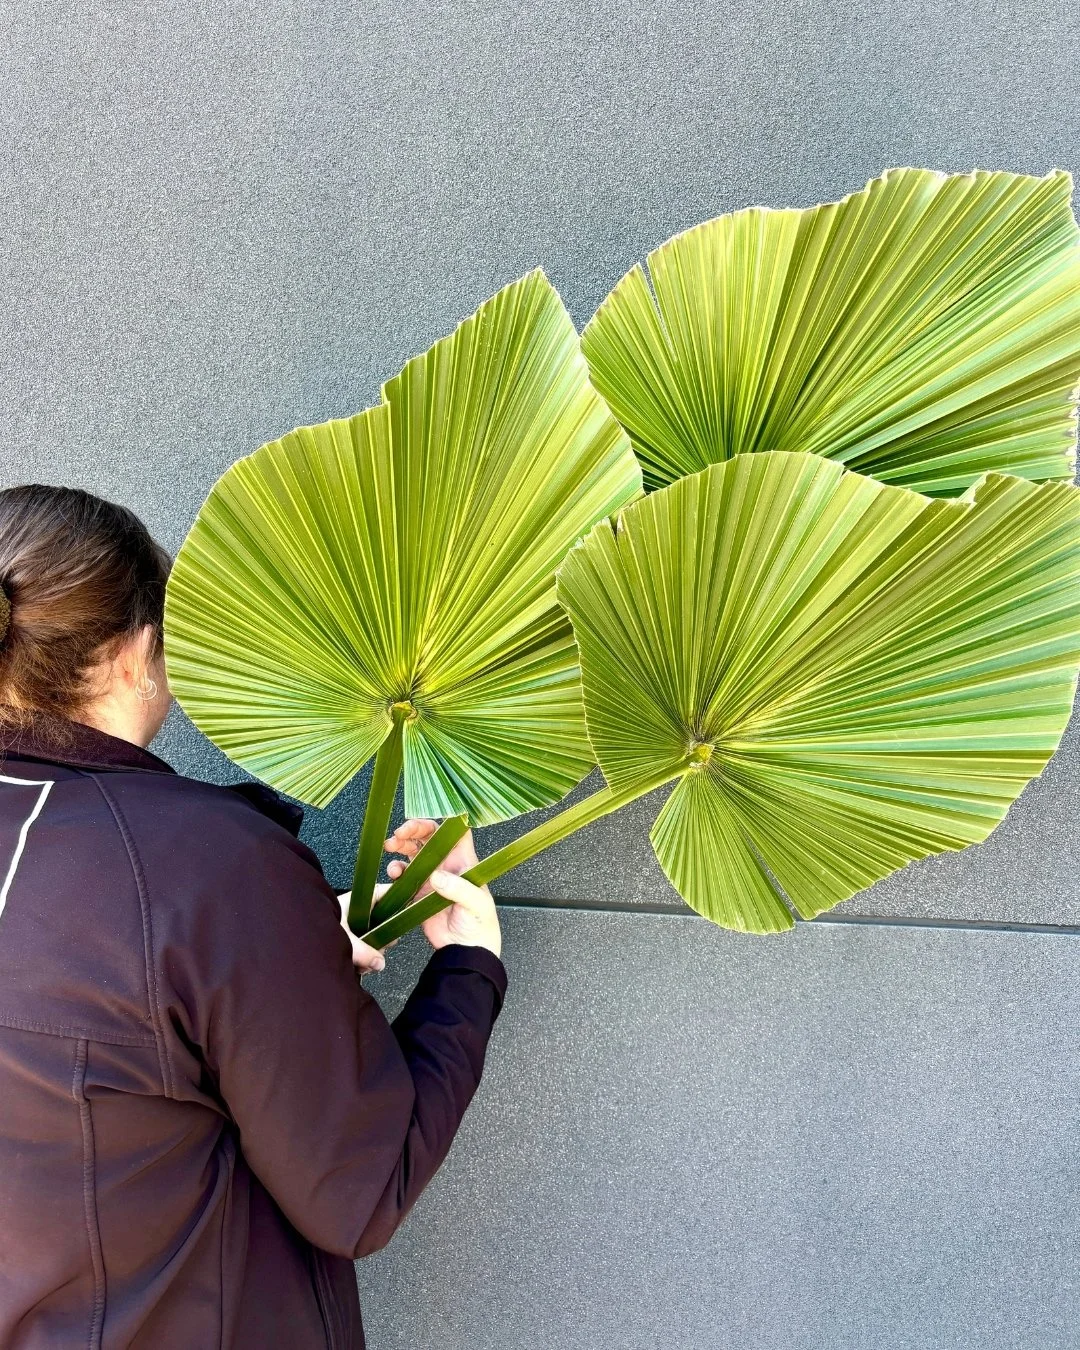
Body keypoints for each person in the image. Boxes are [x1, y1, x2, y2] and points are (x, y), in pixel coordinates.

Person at [0, 484, 506, 1350]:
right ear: (138, 653)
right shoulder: (207, 861)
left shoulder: (192, 876)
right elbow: (361, 1190)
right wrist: (467, 971)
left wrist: (284, 950)